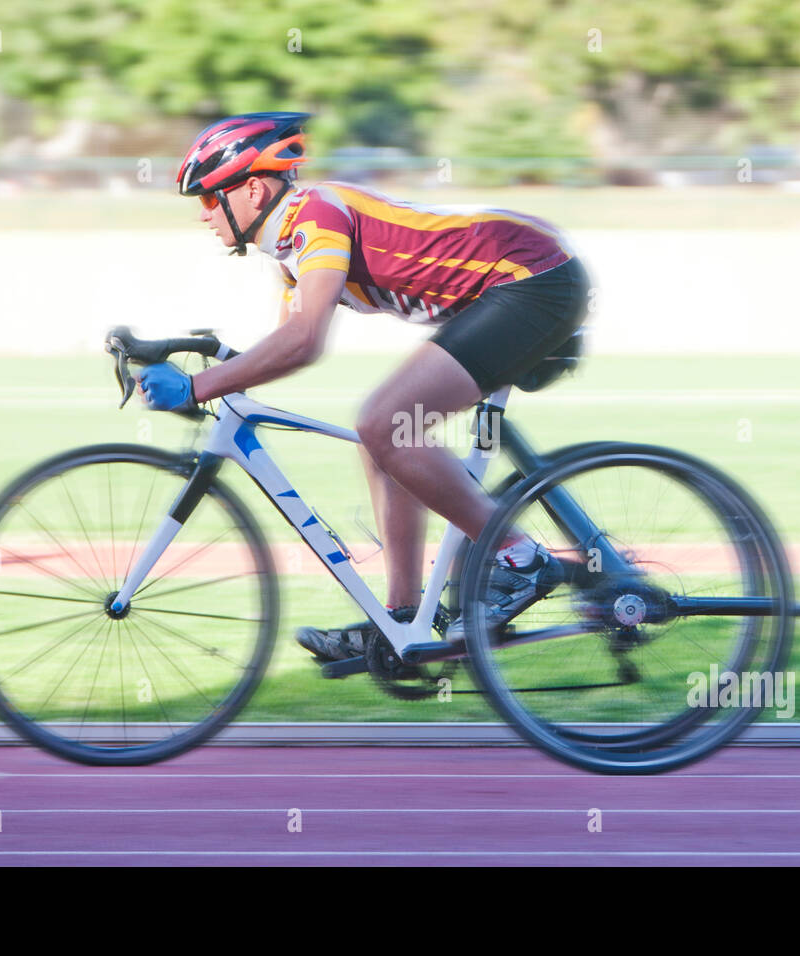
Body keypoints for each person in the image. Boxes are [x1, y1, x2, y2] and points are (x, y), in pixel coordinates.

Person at [136, 112, 589, 661]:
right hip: (508, 285)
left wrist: (196, 388)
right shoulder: (290, 244)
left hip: (529, 279)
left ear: (251, 189)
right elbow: (284, 344)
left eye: (208, 199)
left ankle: (523, 561)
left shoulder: (315, 217)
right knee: (383, 438)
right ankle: (403, 619)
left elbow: (304, 342)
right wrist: (211, 358)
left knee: (385, 421)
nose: (203, 216)